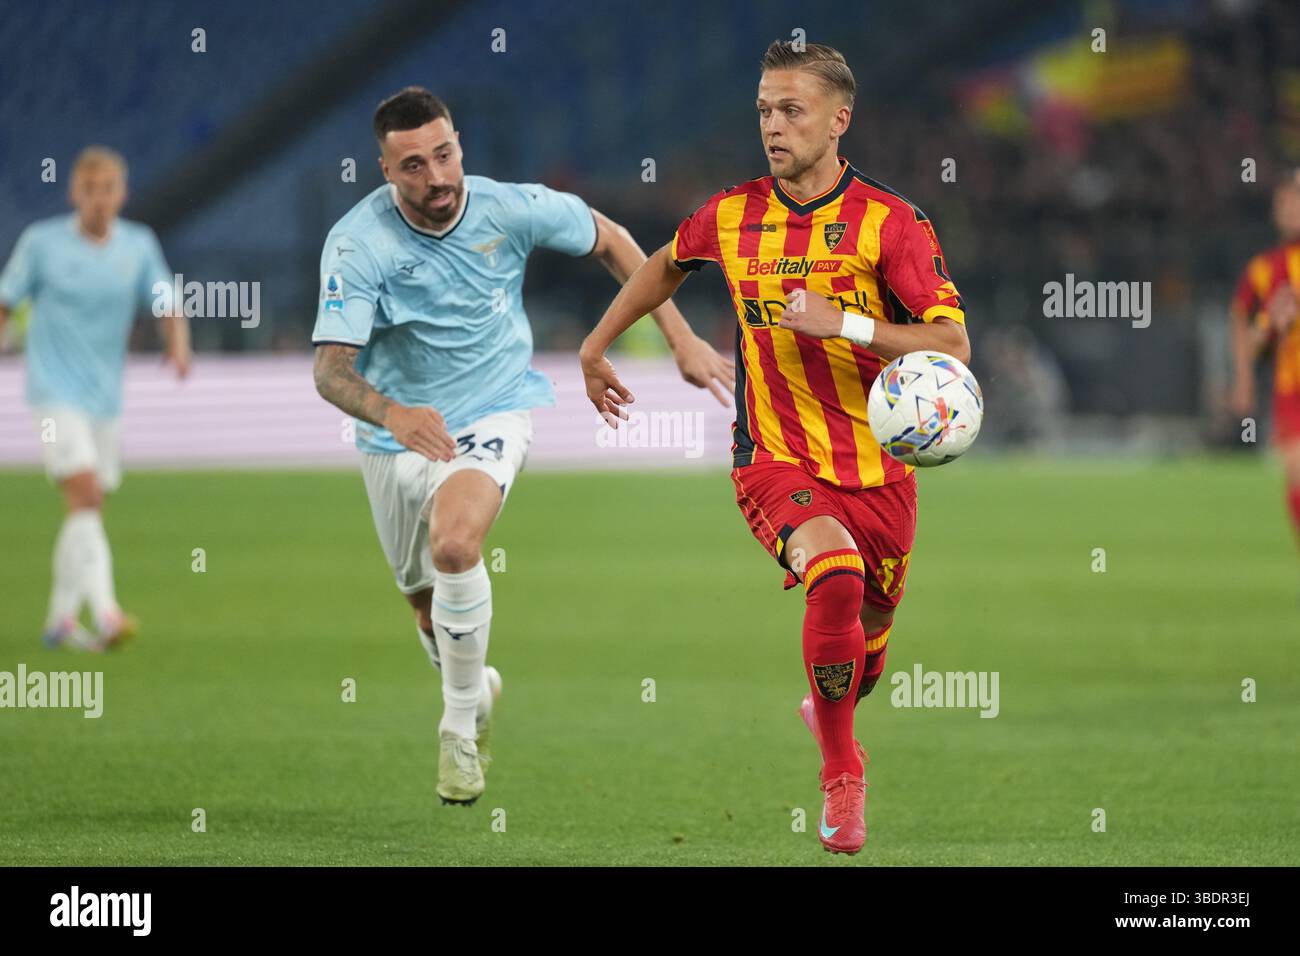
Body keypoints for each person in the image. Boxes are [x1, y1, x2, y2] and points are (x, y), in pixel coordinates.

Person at [579, 42, 970, 854]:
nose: (774, 125)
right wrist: (597, 345)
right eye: (764, 109)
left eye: (792, 109)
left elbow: (951, 343)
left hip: (881, 472)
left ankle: (834, 707)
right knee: (833, 576)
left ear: (839, 119)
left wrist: (848, 324)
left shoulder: (893, 223)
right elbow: (664, 263)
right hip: (775, 457)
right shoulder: (729, 214)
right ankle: (842, 774)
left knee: (865, 656)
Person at [311, 87, 733, 806]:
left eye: (444, 155)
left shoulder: (509, 207)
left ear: (459, 146)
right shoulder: (358, 245)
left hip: (493, 411)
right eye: (413, 165)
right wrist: (392, 412)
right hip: (395, 435)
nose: (437, 177)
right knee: (424, 607)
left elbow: (612, 239)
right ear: (385, 172)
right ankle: (476, 687)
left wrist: (681, 336)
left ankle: (457, 730)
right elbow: (330, 369)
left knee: (454, 548)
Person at [0, 146, 191, 651]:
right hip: (52, 393)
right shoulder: (42, 244)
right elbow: (5, 300)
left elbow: (166, 299)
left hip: (104, 398)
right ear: (73, 193)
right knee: (85, 492)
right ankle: (106, 614)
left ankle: (61, 619)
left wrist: (178, 344)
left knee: (86, 508)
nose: (100, 200)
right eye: (90, 190)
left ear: (122, 194)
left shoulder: (137, 244)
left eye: (108, 190)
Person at [1231, 169, 1300, 565]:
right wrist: (1270, 327)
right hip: (1290, 391)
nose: (1289, 212)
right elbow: (1248, 332)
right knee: (1295, 473)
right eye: (1284, 205)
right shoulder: (1264, 269)